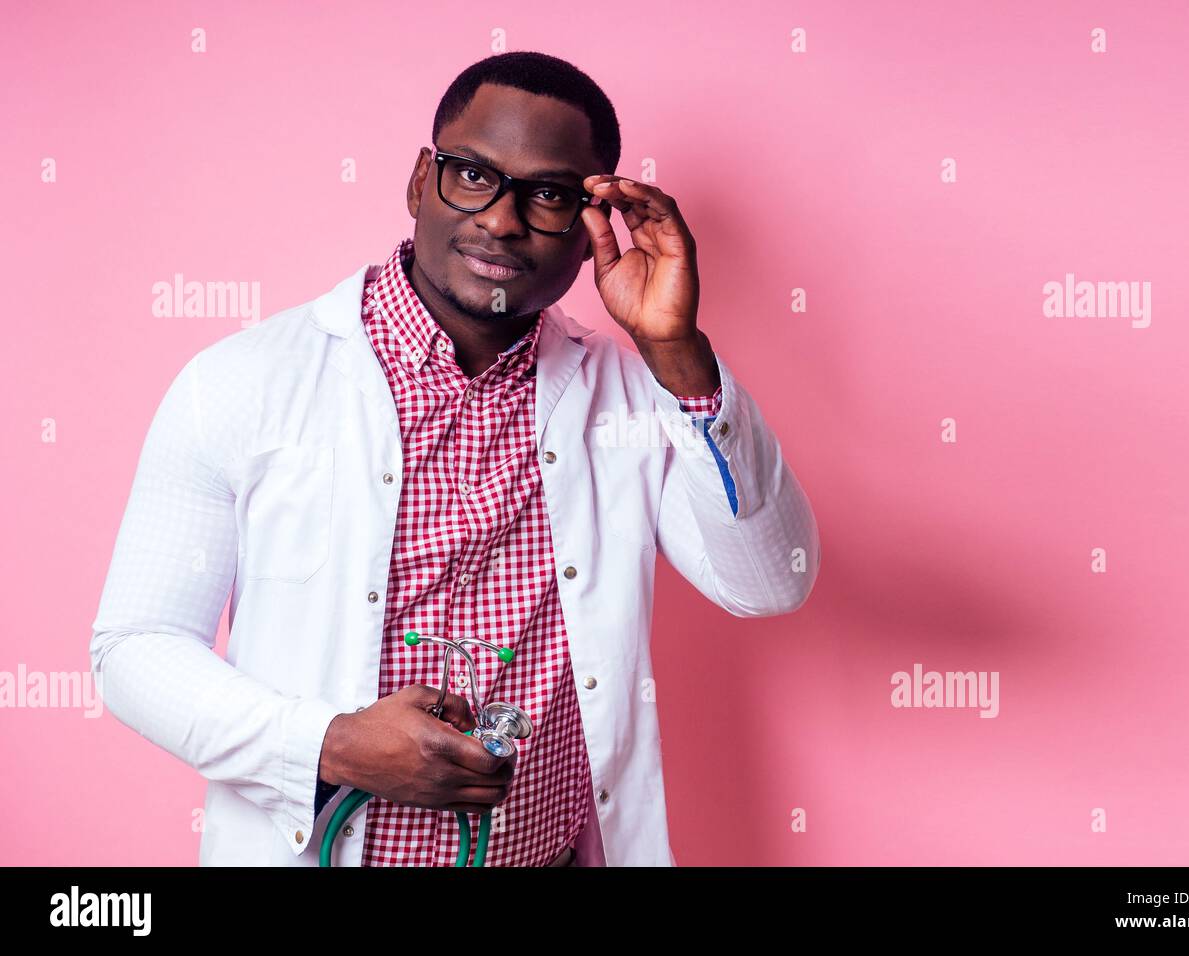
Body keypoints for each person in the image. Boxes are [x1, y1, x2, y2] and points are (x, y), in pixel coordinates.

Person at [90, 50, 819, 867]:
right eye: (472, 175)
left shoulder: (636, 398)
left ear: (592, 231)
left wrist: (677, 351)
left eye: (548, 195)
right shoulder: (241, 381)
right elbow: (134, 649)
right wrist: (327, 745)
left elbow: (768, 583)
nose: (502, 221)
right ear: (418, 183)